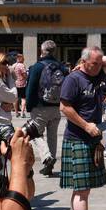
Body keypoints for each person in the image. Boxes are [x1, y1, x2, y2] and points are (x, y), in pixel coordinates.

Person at [58, 47, 106, 210]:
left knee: (82, 188)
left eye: (100, 63)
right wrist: (87, 125)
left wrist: (98, 62)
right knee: (82, 189)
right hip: (78, 138)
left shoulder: (95, 75)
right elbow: (64, 108)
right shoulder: (73, 79)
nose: (98, 67)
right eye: (93, 63)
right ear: (83, 61)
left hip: (91, 139)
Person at [25, 41, 65, 178]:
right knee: (52, 137)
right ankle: (50, 166)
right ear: (54, 51)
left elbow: (30, 87)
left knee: (35, 133)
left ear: (41, 51)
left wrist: (29, 105)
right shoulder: (61, 67)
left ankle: (47, 157)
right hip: (56, 107)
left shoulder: (37, 67)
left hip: (40, 106)